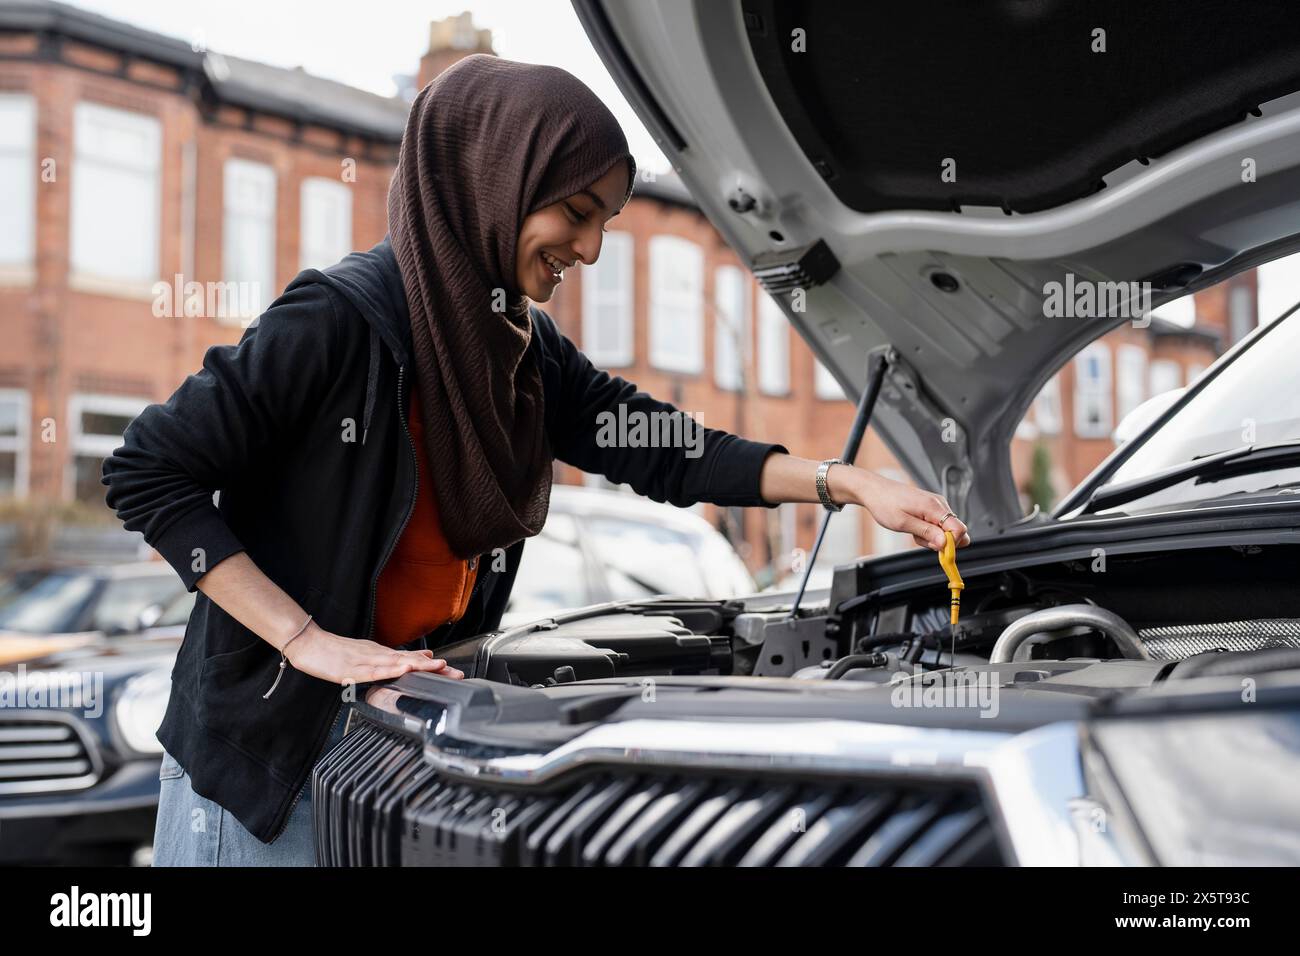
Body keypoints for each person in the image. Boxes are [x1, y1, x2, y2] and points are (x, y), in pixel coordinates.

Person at [103, 55, 969, 866]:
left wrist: (843, 482)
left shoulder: (520, 350)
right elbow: (147, 470)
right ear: (492, 183)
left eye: (606, 221)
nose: (590, 250)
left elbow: (667, 448)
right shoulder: (335, 322)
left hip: (395, 742)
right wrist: (306, 641)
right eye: (576, 214)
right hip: (265, 768)